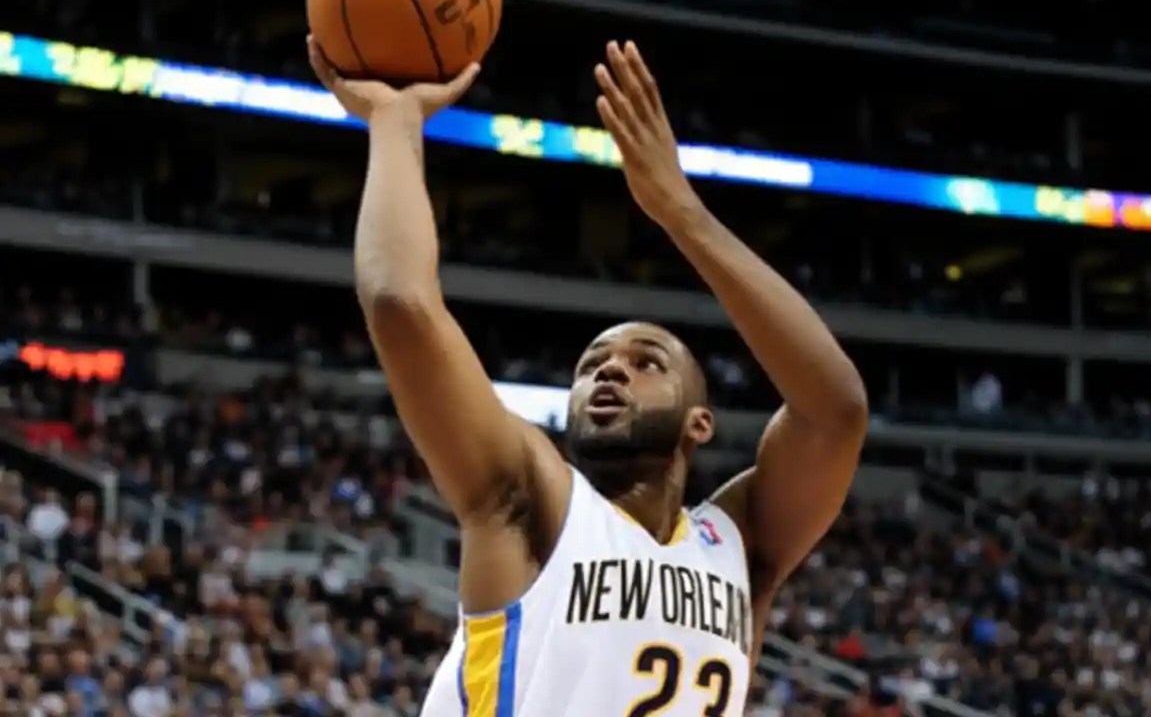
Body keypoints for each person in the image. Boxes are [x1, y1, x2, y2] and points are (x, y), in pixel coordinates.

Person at [307, 37, 868, 716]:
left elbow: (835, 409)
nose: (609, 372)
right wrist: (394, 124)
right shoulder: (531, 494)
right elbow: (401, 305)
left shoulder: (739, 547)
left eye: (645, 363)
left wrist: (682, 214)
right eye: (592, 366)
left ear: (700, 420)